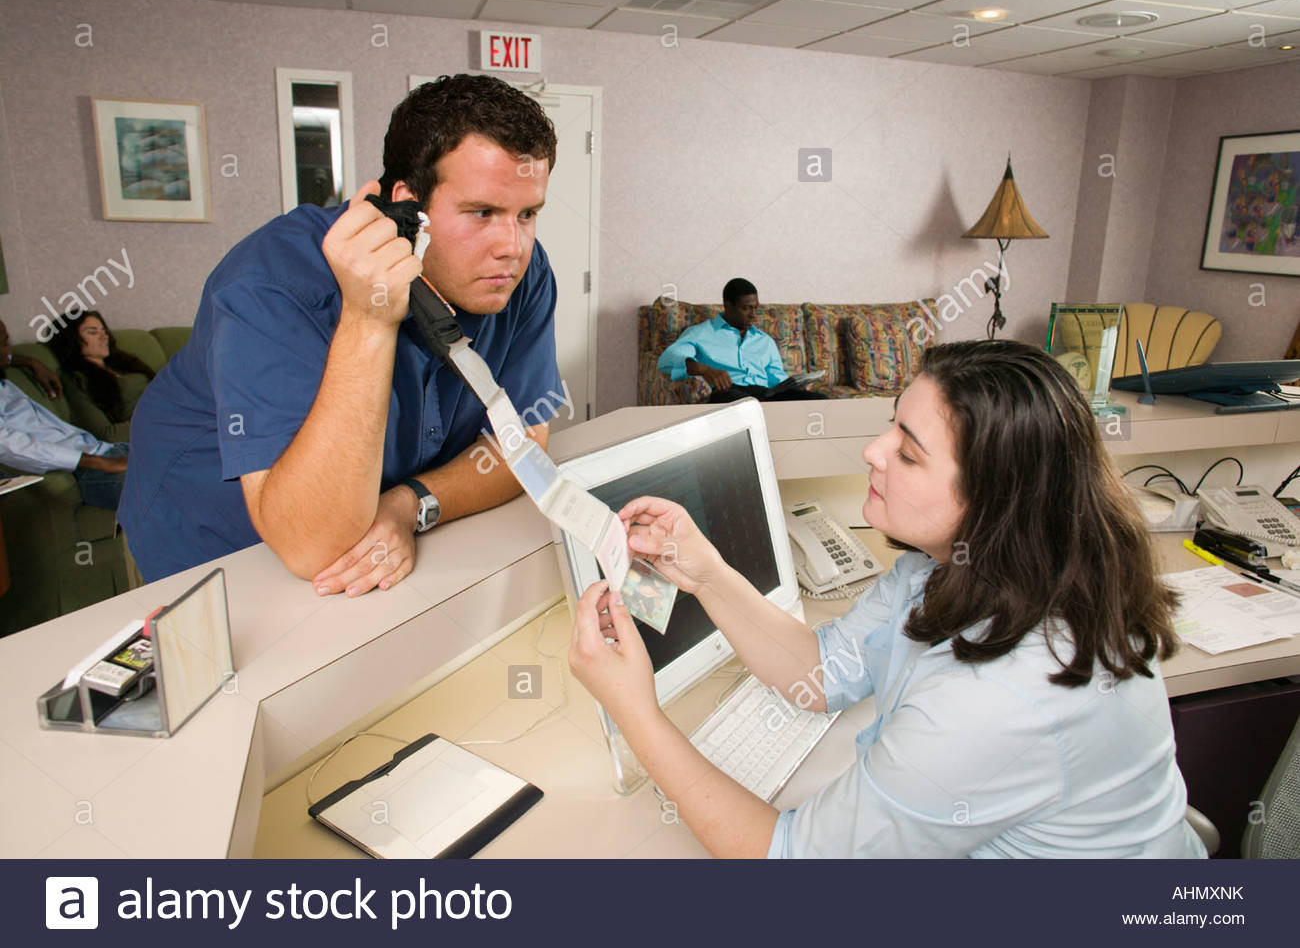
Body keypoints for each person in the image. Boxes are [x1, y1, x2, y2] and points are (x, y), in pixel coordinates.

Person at [570, 340, 1205, 859]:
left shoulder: (998, 698)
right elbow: (822, 675)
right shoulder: (945, 570)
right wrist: (704, 571)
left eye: (908, 453)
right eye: (890, 425)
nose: (873, 452)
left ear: (994, 504)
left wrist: (637, 716)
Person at [119, 74, 563, 591]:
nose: (512, 245)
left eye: (527, 213)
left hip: (366, 522)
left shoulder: (522, 272)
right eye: (482, 212)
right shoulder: (268, 283)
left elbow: (527, 436)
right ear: (408, 209)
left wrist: (411, 502)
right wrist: (368, 317)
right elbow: (314, 545)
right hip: (211, 536)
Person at [0, 318, 128, 510]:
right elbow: (10, 446)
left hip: (107, 450)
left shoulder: (4, 382)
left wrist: (31, 362)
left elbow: (8, 358)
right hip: (89, 469)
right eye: (4, 344)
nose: (9, 352)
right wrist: (98, 463)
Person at [656, 278, 826, 403]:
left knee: (818, 401)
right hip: (729, 392)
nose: (753, 314)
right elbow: (666, 360)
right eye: (746, 308)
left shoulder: (764, 341)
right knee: (747, 406)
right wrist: (703, 368)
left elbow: (776, 377)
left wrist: (796, 385)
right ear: (728, 306)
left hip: (765, 394)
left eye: (755, 308)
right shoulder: (701, 333)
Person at [46, 310, 156, 442]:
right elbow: (107, 435)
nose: (104, 337)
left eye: (104, 331)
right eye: (92, 332)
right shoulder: (75, 379)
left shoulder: (125, 364)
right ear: (71, 339)